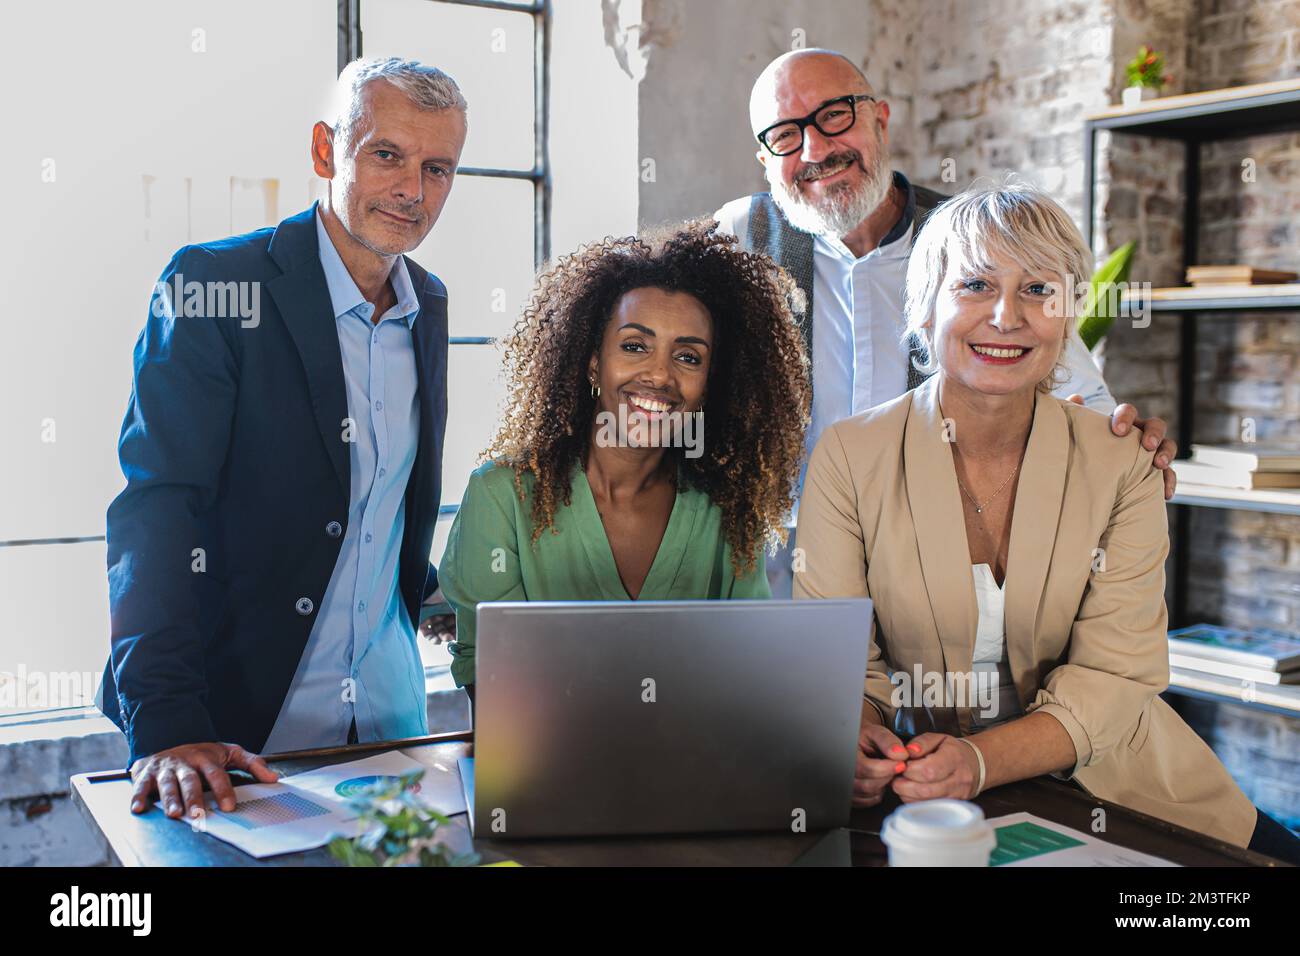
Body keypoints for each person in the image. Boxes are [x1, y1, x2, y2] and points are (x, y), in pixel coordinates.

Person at [791, 182, 1300, 856]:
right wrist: (855, 735)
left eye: (1038, 290)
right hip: (919, 793)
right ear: (923, 308)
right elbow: (845, 664)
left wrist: (979, 762)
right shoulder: (850, 456)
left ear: (1066, 317)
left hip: (1128, 786)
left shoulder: (1124, 460)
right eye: (975, 284)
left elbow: (1116, 675)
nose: (1007, 316)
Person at [102, 57, 468, 821]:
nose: (413, 190)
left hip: (393, 734)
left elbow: (373, 506)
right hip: (239, 740)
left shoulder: (427, 304)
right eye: (388, 155)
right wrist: (167, 726)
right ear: (325, 151)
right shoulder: (213, 284)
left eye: (438, 167)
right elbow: (157, 512)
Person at [713, 48, 1181, 597]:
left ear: (879, 118)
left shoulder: (972, 243)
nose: (815, 149)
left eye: (834, 115)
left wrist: (1125, 446)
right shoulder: (738, 237)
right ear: (765, 158)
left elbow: (1076, 391)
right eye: (785, 135)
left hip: (940, 563)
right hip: (780, 568)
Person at [438, 221, 810, 704]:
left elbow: (744, 682)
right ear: (594, 362)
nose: (659, 374)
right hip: (547, 775)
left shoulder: (727, 511)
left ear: (712, 383)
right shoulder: (501, 497)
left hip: (696, 771)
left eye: (689, 357)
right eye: (634, 346)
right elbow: (496, 695)